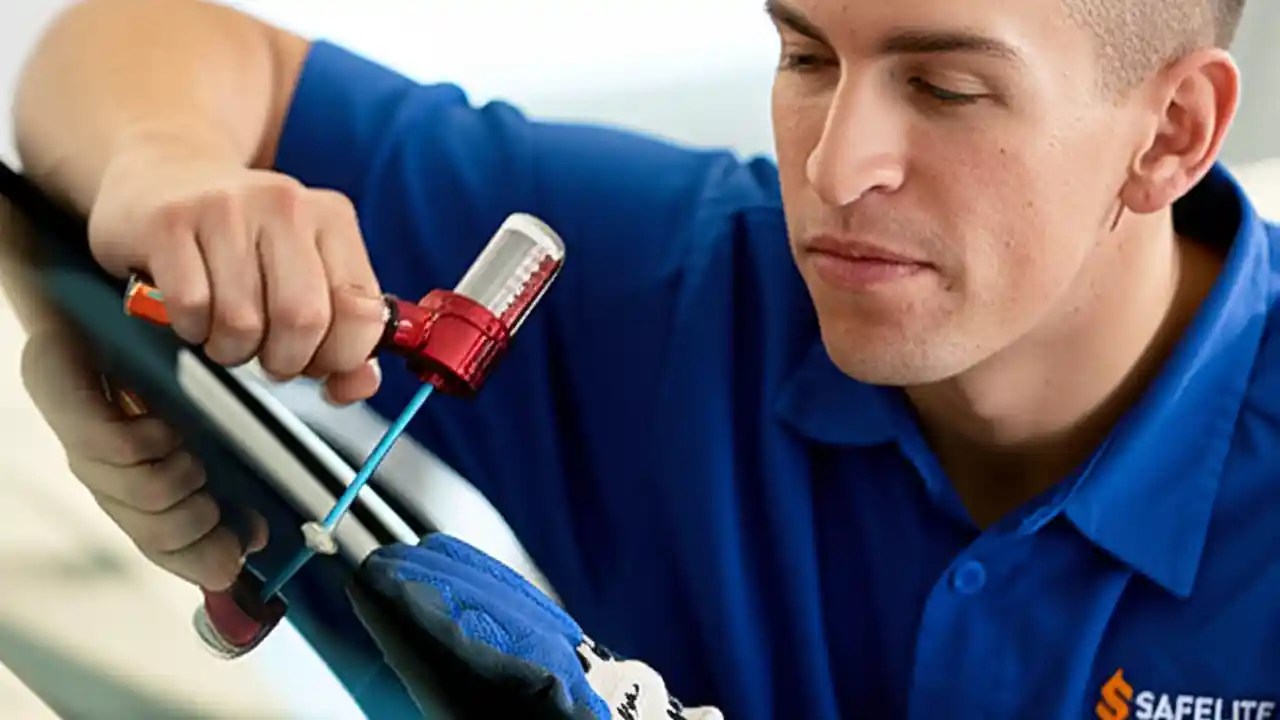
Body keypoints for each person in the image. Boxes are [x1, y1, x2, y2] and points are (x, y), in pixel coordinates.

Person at [9, 0, 1279, 716]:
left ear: (1171, 131)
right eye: (803, 57)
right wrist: (163, 187)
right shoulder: (677, 280)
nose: (833, 171)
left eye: (945, 88)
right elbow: (125, 46)